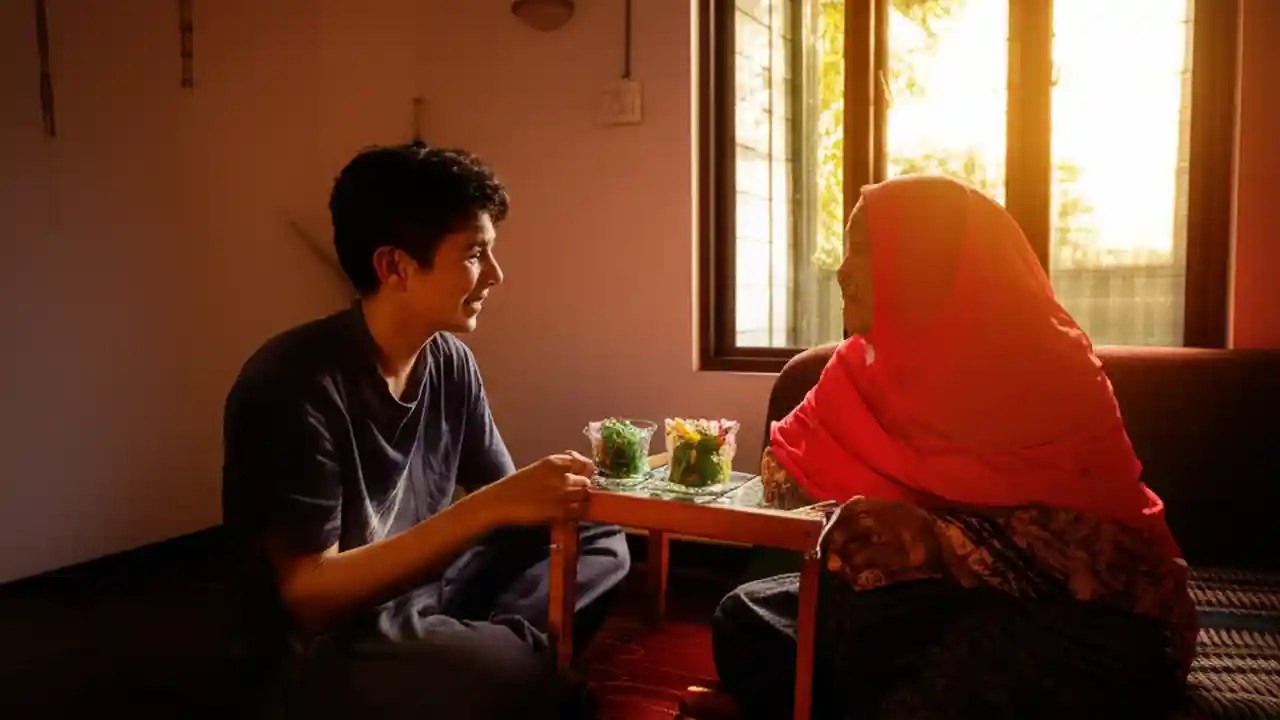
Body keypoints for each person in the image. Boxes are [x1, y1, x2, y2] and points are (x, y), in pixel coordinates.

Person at [700, 176, 1196, 719]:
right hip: (914, 608)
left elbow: (1118, 560)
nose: (842, 270)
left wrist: (936, 538)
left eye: (864, 249)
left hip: (1065, 619)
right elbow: (790, 474)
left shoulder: (1048, 373)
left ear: (925, 263)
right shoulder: (856, 368)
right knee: (747, 617)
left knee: (961, 665)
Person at [221, 144, 630, 719]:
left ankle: (492, 653)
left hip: (428, 591)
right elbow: (308, 599)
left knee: (598, 536)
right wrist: (492, 507)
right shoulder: (290, 383)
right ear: (395, 266)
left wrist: (555, 490)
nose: (495, 275)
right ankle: (497, 658)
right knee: (531, 681)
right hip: (334, 640)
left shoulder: (449, 361)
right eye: (474, 254)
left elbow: (509, 510)